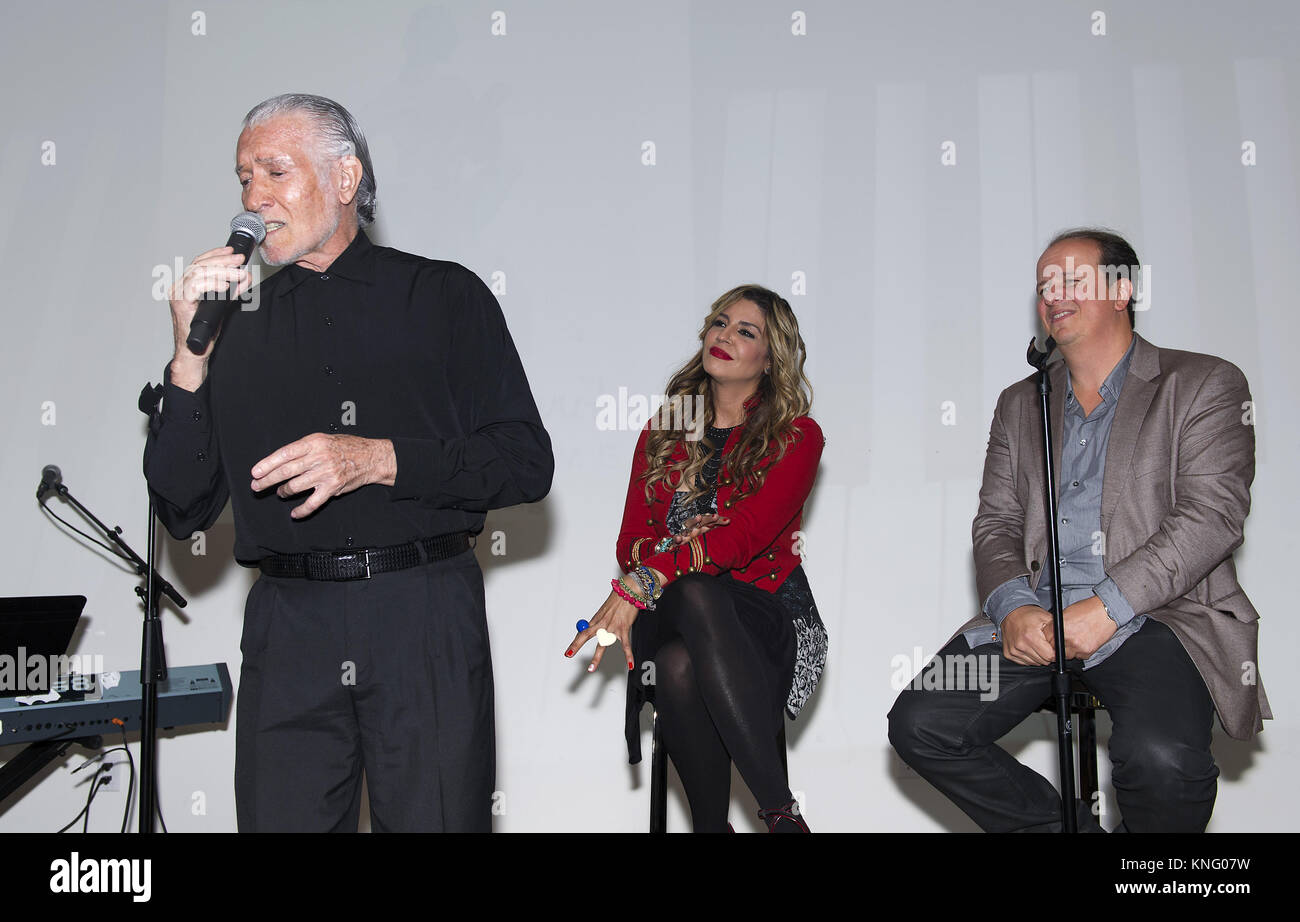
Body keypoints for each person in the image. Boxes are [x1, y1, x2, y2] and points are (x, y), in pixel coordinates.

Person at [141, 94, 553, 832]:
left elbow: (524, 463)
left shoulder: (444, 296)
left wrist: (381, 460)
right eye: (242, 179)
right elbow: (182, 507)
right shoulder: (231, 328)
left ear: (344, 178)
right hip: (288, 628)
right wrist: (187, 359)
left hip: (421, 611)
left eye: (274, 171)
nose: (252, 197)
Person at [888, 228, 1271, 832]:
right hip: (1036, 615)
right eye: (1044, 284)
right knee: (921, 722)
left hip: (1160, 615)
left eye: (1070, 279)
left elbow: (1211, 517)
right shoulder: (1021, 402)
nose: (1052, 294)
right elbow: (996, 523)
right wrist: (1013, 608)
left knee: (1163, 761)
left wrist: (1106, 607)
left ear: (1121, 290)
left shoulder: (1202, 383)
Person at [566, 284, 827, 832]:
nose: (724, 336)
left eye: (745, 331)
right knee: (687, 601)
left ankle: (745, 819)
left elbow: (747, 538)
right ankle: (782, 815)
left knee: (686, 641)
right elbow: (631, 544)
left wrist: (663, 563)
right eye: (720, 323)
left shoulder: (796, 436)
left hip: (763, 613)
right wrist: (674, 554)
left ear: (770, 357)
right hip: (675, 606)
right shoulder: (664, 431)